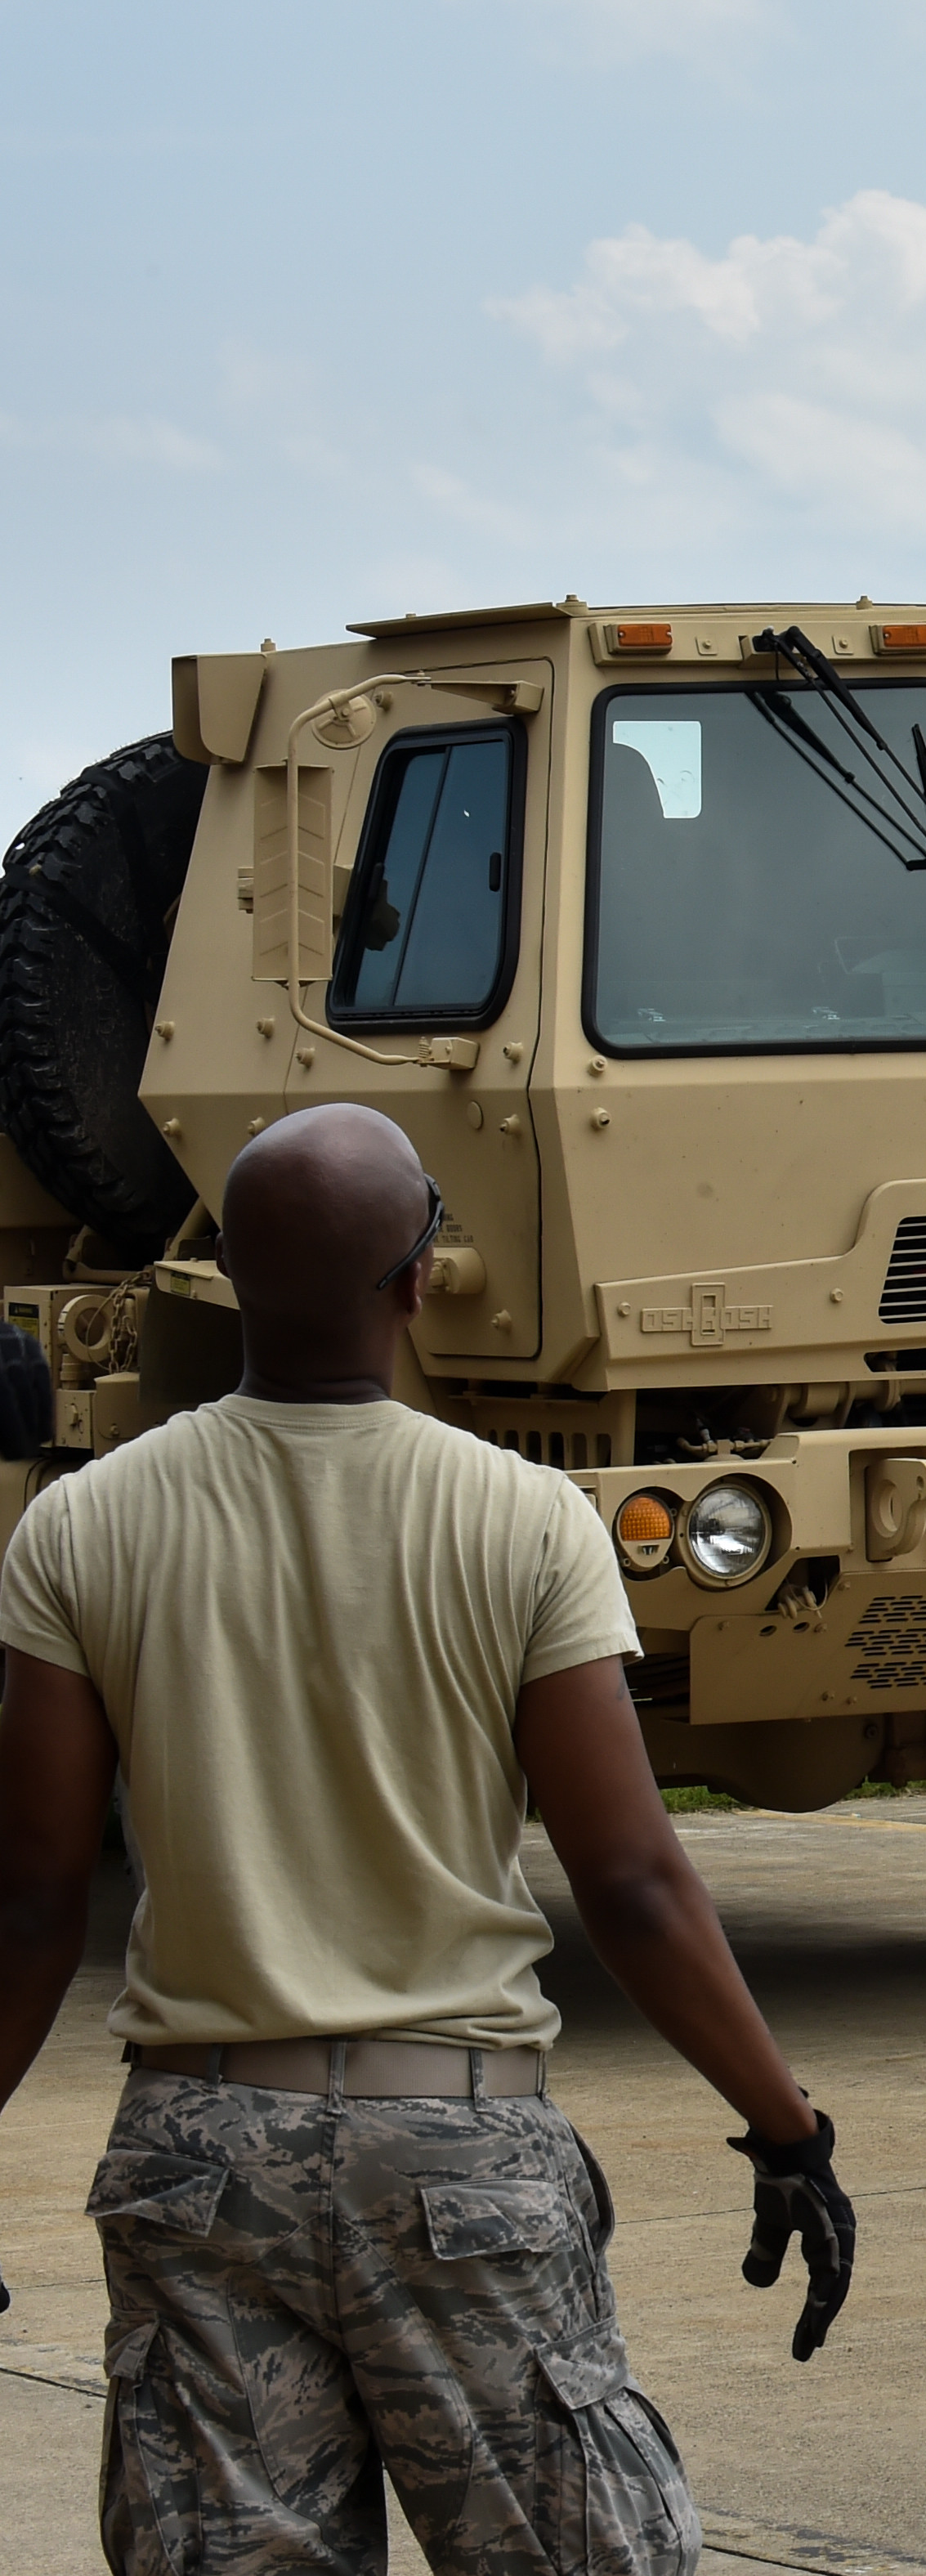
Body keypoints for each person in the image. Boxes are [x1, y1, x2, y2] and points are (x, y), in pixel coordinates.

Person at [0, 1104, 852, 2574]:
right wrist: (786, 2128)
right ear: (414, 1281)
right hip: (456, 2158)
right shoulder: (524, 1522)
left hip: (201, 2165)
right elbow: (636, 1884)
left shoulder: (87, 1523)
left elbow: (28, 1896)